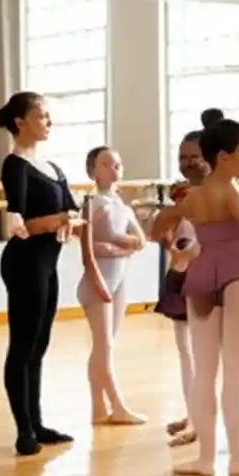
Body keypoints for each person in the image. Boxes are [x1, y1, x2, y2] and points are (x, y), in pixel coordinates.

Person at [151, 119, 239, 476]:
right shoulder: (233, 192)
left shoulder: (193, 197)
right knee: (235, 373)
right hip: (238, 275)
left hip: (200, 277)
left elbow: (158, 226)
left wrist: (174, 245)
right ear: (224, 157)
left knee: (204, 372)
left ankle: (205, 459)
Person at [0, 91, 85, 456]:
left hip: (48, 262)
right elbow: (20, 223)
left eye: (48, 116)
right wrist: (59, 220)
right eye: (41, 116)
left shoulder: (54, 168)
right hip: (25, 262)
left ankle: (37, 420)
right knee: (23, 344)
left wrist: (67, 220)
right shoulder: (14, 165)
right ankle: (23, 429)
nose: (48, 122)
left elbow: (73, 212)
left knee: (40, 345)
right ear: (20, 122)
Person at [78, 146, 147, 425]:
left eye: (117, 164)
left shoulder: (122, 205)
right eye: (106, 164)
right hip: (99, 283)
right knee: (104, 345)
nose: (113, 169)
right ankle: (117, 404)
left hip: (118, 281)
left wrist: (118, 244)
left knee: (104, 347)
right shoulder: (91, 204)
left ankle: (98, 408)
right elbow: (90, 248)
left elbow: (139, 240)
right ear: (92, 169)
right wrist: (120, 244)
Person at [155, 128, 210, 447]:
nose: (188, 163)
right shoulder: (183, 195)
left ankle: (200, 422)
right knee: (185, 353)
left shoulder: (218, 195)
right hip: (180, 276)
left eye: (195, 157)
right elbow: (165, 234)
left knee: (201, 356)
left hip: (204, 282)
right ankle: (193, 415)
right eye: (183, 157)